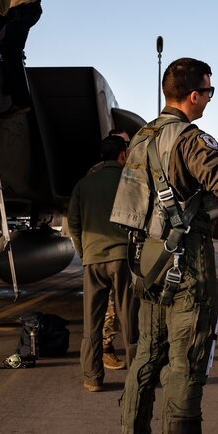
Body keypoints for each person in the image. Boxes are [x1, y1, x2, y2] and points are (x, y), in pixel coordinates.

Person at [110, 57, 218, 434]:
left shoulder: (141, 139)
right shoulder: (189, 139)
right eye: (208, 91)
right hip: (186, 267)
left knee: (146, 357)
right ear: (193, 95)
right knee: (187, 363)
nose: (209, 98)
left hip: (148, 265)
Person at [66, 135, 138, 393]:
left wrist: (85, 251)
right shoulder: (130, 181)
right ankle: (136, 378)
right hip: (123, 259)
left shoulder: (83, 185)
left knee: (92, 322)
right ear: (122, 155)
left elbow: (73, 223)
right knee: (130, 318)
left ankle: (93, 378)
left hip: (93, 260)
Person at [100, 129, 132, 370]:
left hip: (102, 254)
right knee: (115, 305)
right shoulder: (122, 178)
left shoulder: (93, 175)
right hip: (116, 253)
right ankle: (106, 349)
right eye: (126, 144)